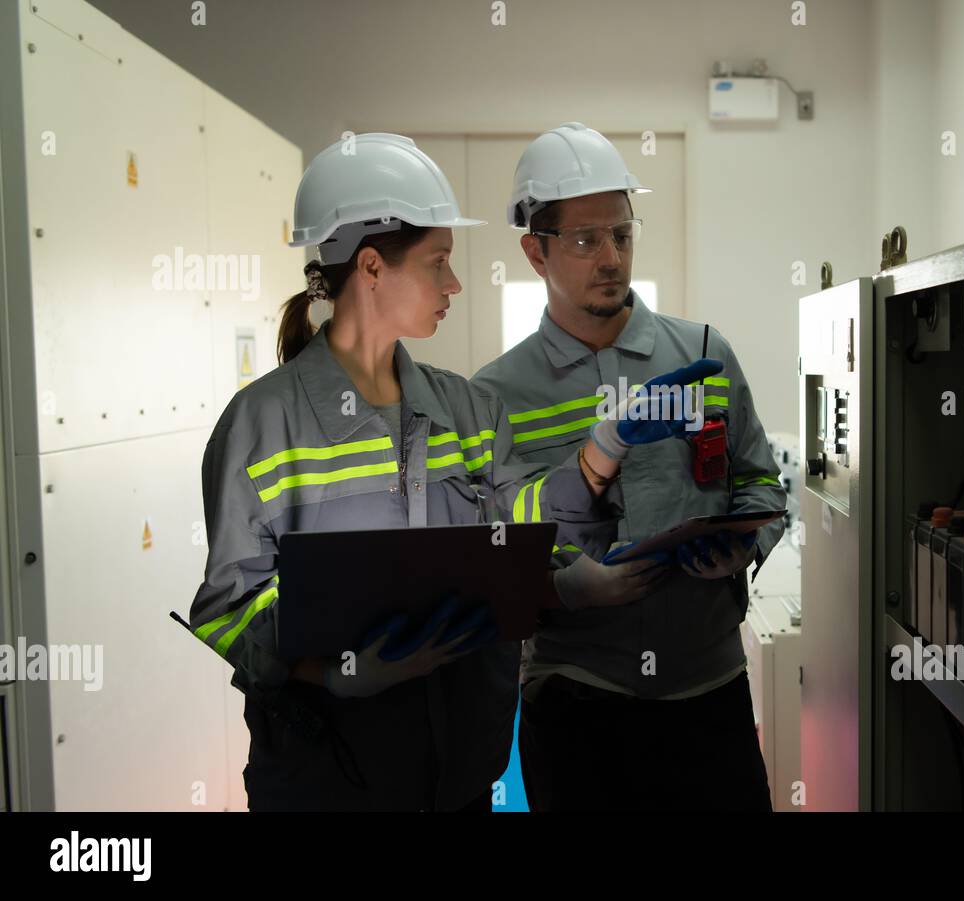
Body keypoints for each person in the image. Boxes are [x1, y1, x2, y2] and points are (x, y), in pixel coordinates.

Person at [189, 132, 715, 811]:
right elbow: (229, 607)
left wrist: (601, 452)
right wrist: (330, 670)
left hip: (461, 779)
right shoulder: (262, 425)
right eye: (438, 262)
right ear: (372, 267)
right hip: (327, 782)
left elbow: (524, 523)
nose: (455, 284)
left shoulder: (467, 410)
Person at [471, 123, 787, 811]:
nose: (612, 257)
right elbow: (490, 555)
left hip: (709, 690)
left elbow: (762, 480)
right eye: (586, 240)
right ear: (535, 251)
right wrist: (564, 590)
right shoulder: (495, 396)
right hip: (578, 700)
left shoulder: (703, 354)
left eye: (622, 233)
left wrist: (744, 544)